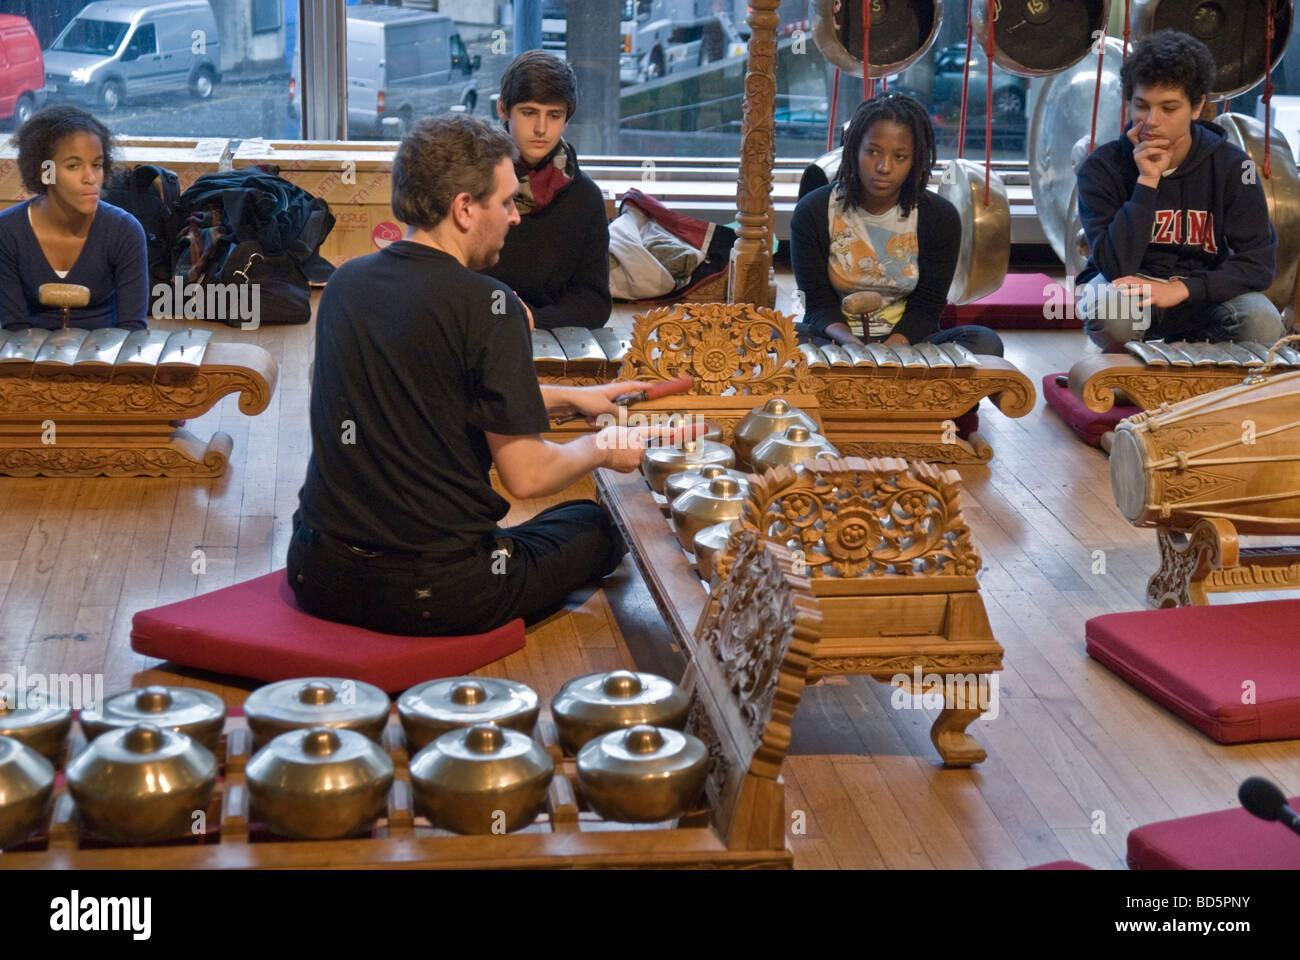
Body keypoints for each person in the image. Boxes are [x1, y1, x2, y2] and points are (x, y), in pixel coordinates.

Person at [289, 114, 673, 637]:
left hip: (317, 572)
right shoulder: (490, 305)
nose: (516, 217)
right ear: (465, 209)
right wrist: (605, 448)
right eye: (508, 201)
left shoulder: (345, 284)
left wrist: (575, 397)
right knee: (595, 527)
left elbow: (424, 388)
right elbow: (527, 476)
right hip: (436, 592)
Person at [1075, 29, 1283, 352]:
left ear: (1197, 106)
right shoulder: (1102, 168)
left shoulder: (1233, 167)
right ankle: (1126, 369)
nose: (1151, 121)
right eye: (1141, 106)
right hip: (1130, 291)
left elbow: (1259, 264)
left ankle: (1201, 373)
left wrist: (1185, 289)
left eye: (1169, 108)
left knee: (1263, 321)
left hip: (1203, 296)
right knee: (1110, 311)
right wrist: (1147, 182)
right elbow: (1114, 267)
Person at [789, 92, 1003, 359]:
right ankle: (908, 397)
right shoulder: (813, 210)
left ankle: (854, 394)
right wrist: (854, 347)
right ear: (854, 150)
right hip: (834, 342)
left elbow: (927, 306)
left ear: (916, 160)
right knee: (770, 339)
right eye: (872, 152)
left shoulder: (939, 217)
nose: (884, 167)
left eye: (900, 157)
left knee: (984, 343)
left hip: (908, 345)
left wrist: (888, 350)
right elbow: (817, 302)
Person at [483, 50, 612, 331]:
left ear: (567, 119)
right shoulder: (471, 183)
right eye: (529, 113)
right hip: (476, 330)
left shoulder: (585, 197)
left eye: (554, 115)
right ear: (503, 110)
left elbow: (594, 301)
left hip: (550, 335)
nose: (541, 128)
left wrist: (533, 319)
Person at [0, 105, 147, 331]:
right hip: (28, 361)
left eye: (97, 165)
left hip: (105, 361)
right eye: (73, 166)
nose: (90, 178)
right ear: (45, 172)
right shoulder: (8, 231)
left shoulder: (125, 230)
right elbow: (14, 327)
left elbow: (132, 329)